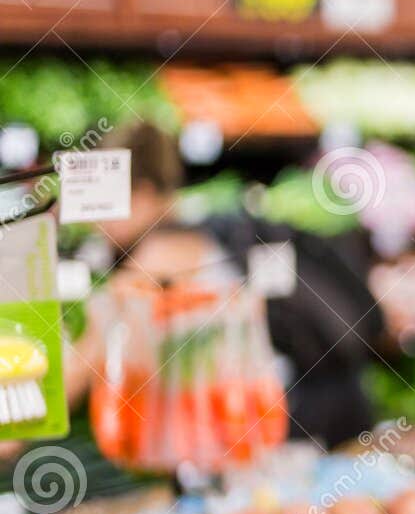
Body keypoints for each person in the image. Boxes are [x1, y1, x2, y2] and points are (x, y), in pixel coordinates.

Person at [66, 120, 382, 450]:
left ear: (142, 195)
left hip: (259, 430)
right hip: (292, 416)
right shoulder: (205, 230)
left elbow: (81, 366)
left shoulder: (157, 260)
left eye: (100, 202)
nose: (92, 223)